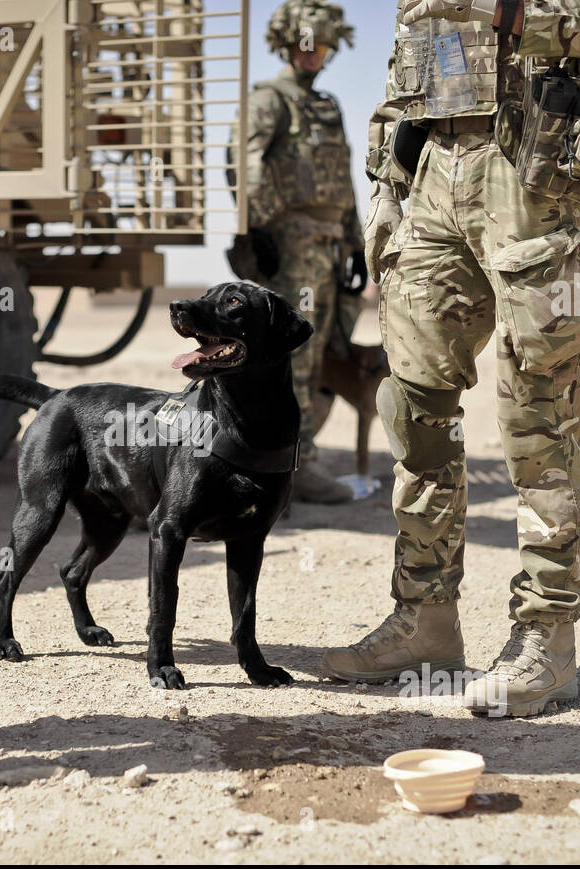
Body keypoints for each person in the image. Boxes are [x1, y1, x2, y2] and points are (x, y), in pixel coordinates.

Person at [323, 0, 580, 716]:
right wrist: (385, 187)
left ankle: (547, 638)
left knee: (543, 407)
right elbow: (408, 63)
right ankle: (427, 620)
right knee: (415, 405)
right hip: (431, 171)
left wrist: (515, 14)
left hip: (534, 167)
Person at [241, 0, 365, 504]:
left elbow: (343, 178)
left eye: (322, 48)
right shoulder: (270, 100)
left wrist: (356, 242)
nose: (313, 57)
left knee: (320, 355)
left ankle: (293, 460)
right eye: (305, 46)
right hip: (292, 249)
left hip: (330, 247)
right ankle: (290, 465)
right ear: (288, 45)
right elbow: (246, 164)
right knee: (295, 357)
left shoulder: (328, 105)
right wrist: (261, 226)